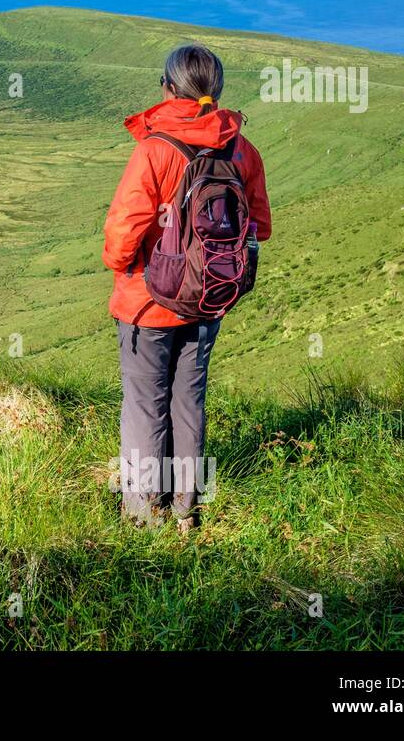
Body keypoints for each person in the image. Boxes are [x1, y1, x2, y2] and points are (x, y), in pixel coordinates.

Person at [102, 43, 271, 532]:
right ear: (215, 91)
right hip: (208, 298)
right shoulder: (241, 149)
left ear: (168, 87)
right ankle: (184, 509)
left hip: (148, 300)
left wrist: (122, 264)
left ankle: (141, 513)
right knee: (187, 401)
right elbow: (258, 223)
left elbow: (124, 231)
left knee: (144, 403)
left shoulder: (155, 149)